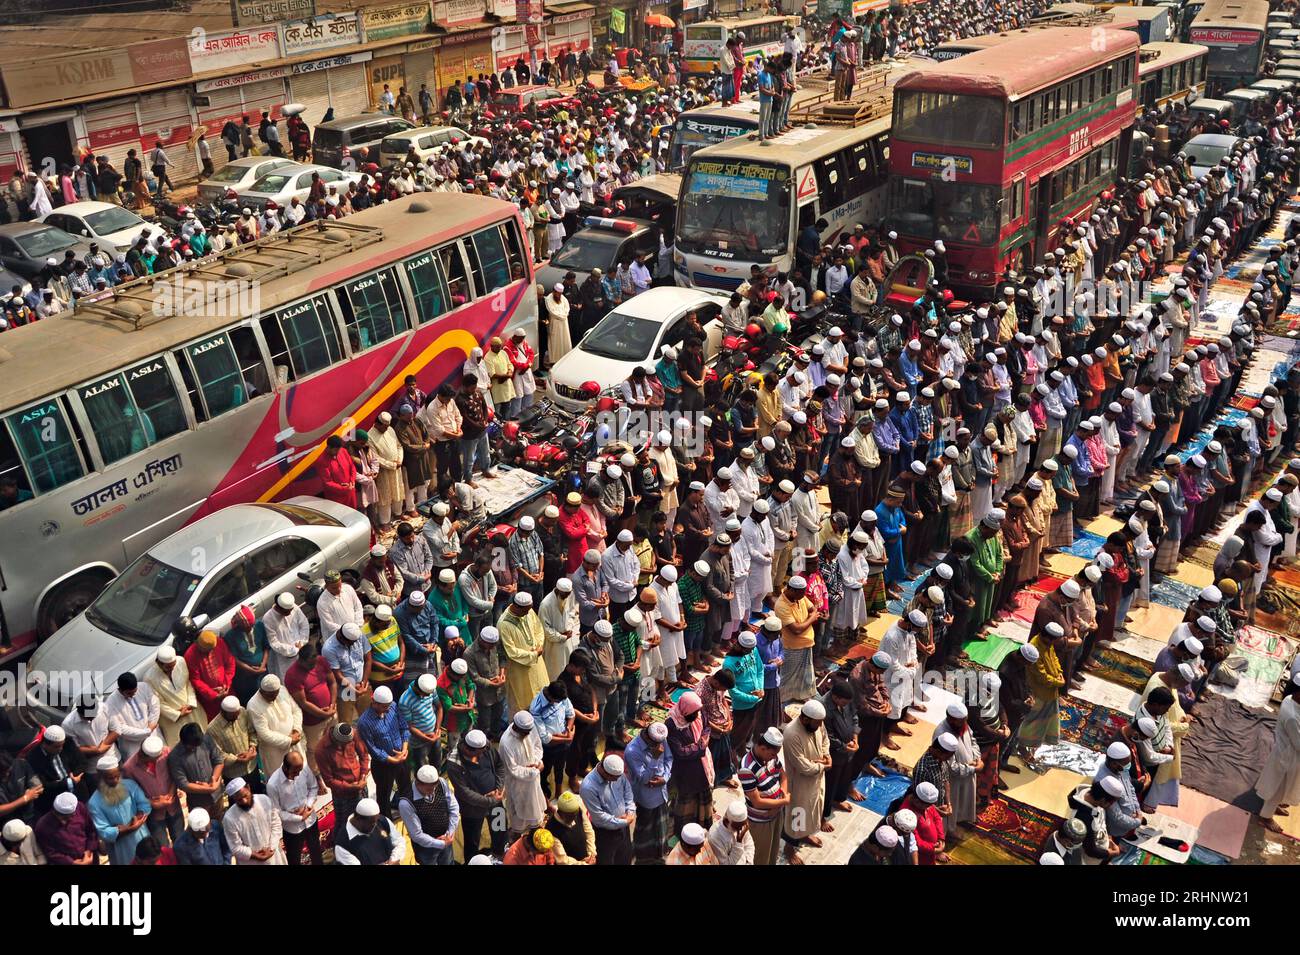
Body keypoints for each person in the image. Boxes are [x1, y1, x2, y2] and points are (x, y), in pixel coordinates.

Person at [783, 699, 832, 861]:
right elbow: (803, 766)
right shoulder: (791, 733)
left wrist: (826, 756)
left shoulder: (817, 723)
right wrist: (823, 767)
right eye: (816, 724)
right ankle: (789, 848)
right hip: (800, 783)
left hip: (817, 778)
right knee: (798, 813)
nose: (819, 726)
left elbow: (825, 739)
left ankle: (804, 835)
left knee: (813, 809)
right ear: (804, 719)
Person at [87, 753, 151, 865]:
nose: (115, 780)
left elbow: (144, 804)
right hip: (120, 847)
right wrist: (127, 829)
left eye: (117, 776)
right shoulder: (94, 802)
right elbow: (103, 831)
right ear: (100, 776)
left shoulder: (130, 785)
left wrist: (138, 818)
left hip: (142, 836)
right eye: (110, 778)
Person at [265, 751, 324, 866]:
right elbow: (276, 812)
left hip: (311, 820)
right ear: (285, 768)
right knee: (294, 858)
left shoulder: (304, 768)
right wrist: (299, 817)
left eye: (300, 771)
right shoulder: (273, 785)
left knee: (316, 851)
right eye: (295, 772)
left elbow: (313, 787)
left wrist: (308, 805)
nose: (298, 774)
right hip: (292, 829)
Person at [1257, 676, 1300, 833]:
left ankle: (1273, 807)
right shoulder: (1292, 717)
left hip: (1287, 753)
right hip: (1288, 757)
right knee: (1279, 788)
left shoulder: (1289, 699)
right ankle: (1265, 817)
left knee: (1280, 786)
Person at [580, 753, 636, 865]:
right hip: (605, 835)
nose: (618, 779)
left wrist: (630, 811)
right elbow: (599, 817)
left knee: (625, 858)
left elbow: (628, 792)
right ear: (605, 772)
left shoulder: (617, 774)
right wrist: (624, 821)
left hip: (623, 829)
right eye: (615, 777)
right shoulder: (588, 787)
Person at [398, 764, 460, 865]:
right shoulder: (406, 803)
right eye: (428, 789)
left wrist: (449, 833)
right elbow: (417, 835)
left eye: (434, 788)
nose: (432, 792)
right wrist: (441, 843)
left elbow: (454, 808)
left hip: (446, 838)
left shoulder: (441, 783)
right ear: (418, 783)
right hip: (426, 849)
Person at [222, 777, 286, 865]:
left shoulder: (264, 800)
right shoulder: (229, 818)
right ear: (233, 799)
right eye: (239, 800)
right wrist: (255, 855)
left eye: (245, 796)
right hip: (251, 861)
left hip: (274, 856)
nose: (244, 801)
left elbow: (276, 824)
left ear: (248, 787)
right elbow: (235, 847)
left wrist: (271, 847)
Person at [333, 797, 405, 865]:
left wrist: (394, 859)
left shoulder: (381, 820)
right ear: (358, 819)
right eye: (372, 823)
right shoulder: (343, 845)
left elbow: (399, 841)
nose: (376, 825)